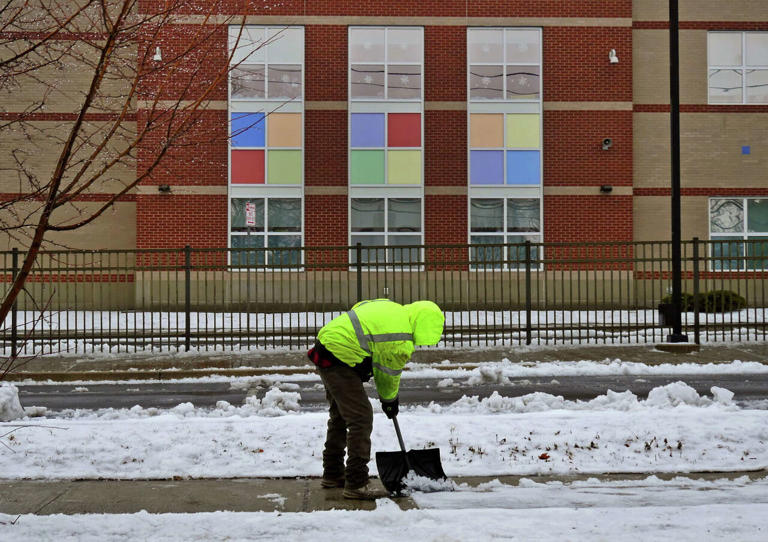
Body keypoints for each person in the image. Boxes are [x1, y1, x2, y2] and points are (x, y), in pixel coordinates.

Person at [307, 298, 444, 500]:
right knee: (360, 418)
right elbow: (388, 376)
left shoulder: (390, 306)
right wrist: (390, 402)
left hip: (326, 344)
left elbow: (358, 311)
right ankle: (356, 483)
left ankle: (333, 474)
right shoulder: (400, 339)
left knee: (340, 416)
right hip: (340, 356)